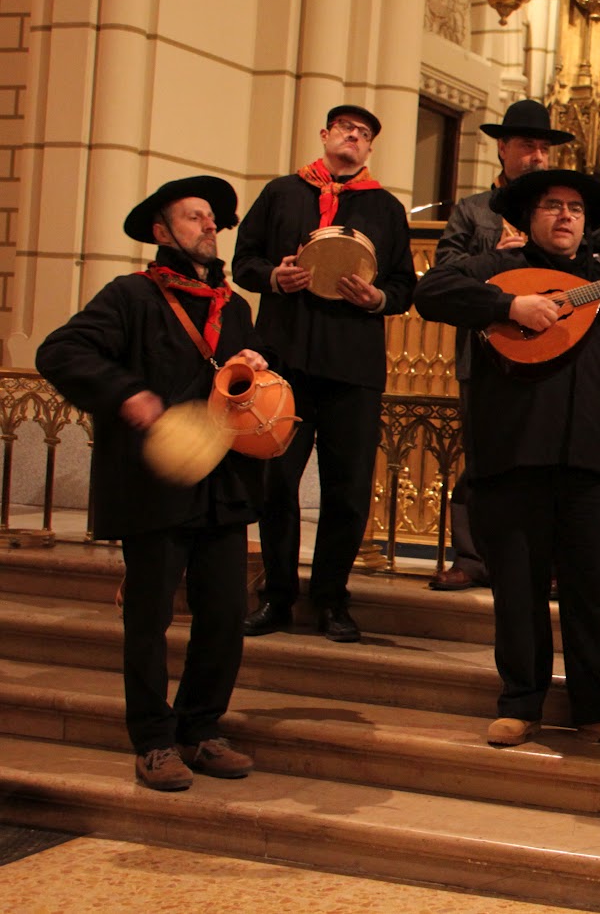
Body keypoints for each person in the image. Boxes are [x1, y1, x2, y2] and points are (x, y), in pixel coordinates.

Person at [413, 167, 600, 750]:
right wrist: (509, 305)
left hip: (593, 460)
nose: (565, 216)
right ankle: (520, 703)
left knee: (595, 593)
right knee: (518, 590)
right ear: (528, 218)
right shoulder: (496, 268)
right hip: (512, 456)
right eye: (553, 206)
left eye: (576, 210)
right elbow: (429, 293)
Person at [36, 177, 267, 791]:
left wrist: (255, 365)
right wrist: (127, 393)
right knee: (149, 619)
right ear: (162, 231)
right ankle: (154, 741)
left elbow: (243, 384)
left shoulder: (235, 308)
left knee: (225, 615)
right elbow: (59, 352)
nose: (209, 225)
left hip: (221, 483)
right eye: (194, 217)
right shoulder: (130, 296)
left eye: (212, 218)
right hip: (154, 484)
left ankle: (200, 729)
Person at [233, 105, 416, 643]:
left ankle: (332, 599)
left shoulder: (385, 207)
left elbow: (404, 286)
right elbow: (243, 261)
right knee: (276, 484)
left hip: (352, 367)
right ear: (325, 135)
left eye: (364, 134)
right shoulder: (281, 193)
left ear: (370, 148)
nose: (353, 138)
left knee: (348, 490)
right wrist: (274, 276)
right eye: (345, 129)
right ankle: (277, 596)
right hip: (284, 361)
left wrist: (378, 298)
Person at [430, 99, 600, 591]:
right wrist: (499, 268)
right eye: (526, 145)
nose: (536, 155)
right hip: (490, 348)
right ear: (503, 148)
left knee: (547, 459)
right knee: (486, 456)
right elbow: (444, 271)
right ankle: (473, 556)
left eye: (543, 147)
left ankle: (552, 560)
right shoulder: (474, 210)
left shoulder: (573, 213)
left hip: (559, 349)